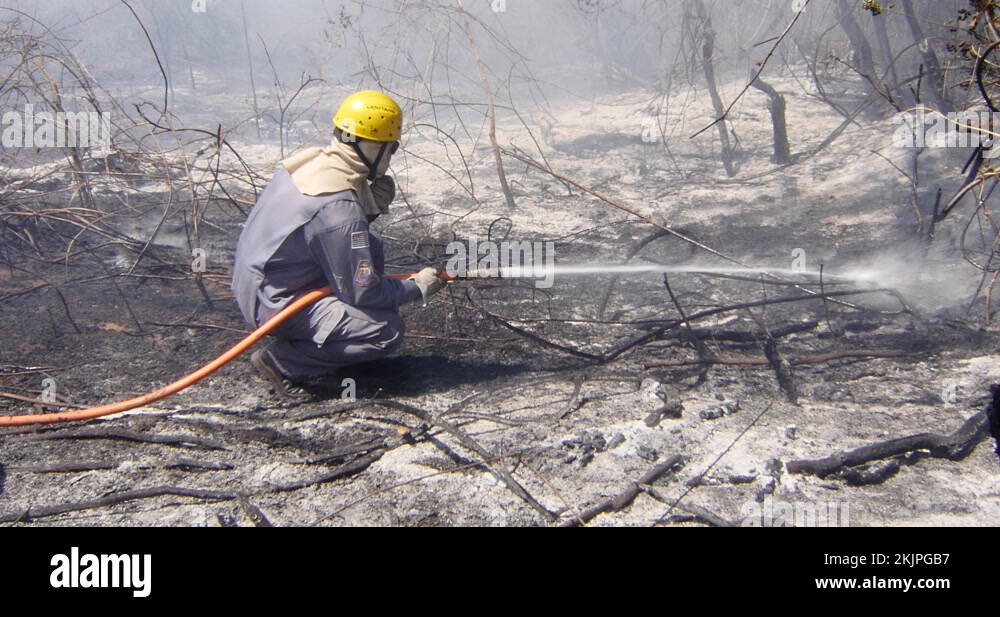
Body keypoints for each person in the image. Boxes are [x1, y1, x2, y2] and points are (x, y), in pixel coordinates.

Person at [231, 90, 445, 398]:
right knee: (384, 330)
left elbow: (319, 234)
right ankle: (282, 362)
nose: (391, 156)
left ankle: (326, 340)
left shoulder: (310, 165)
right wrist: (417, 287)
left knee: (370, 247)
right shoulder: (339, 210)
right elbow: (363, 291)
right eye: (391, 148)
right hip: (276, 305)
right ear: (373, 147)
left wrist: (365, 211)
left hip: (257, 283)